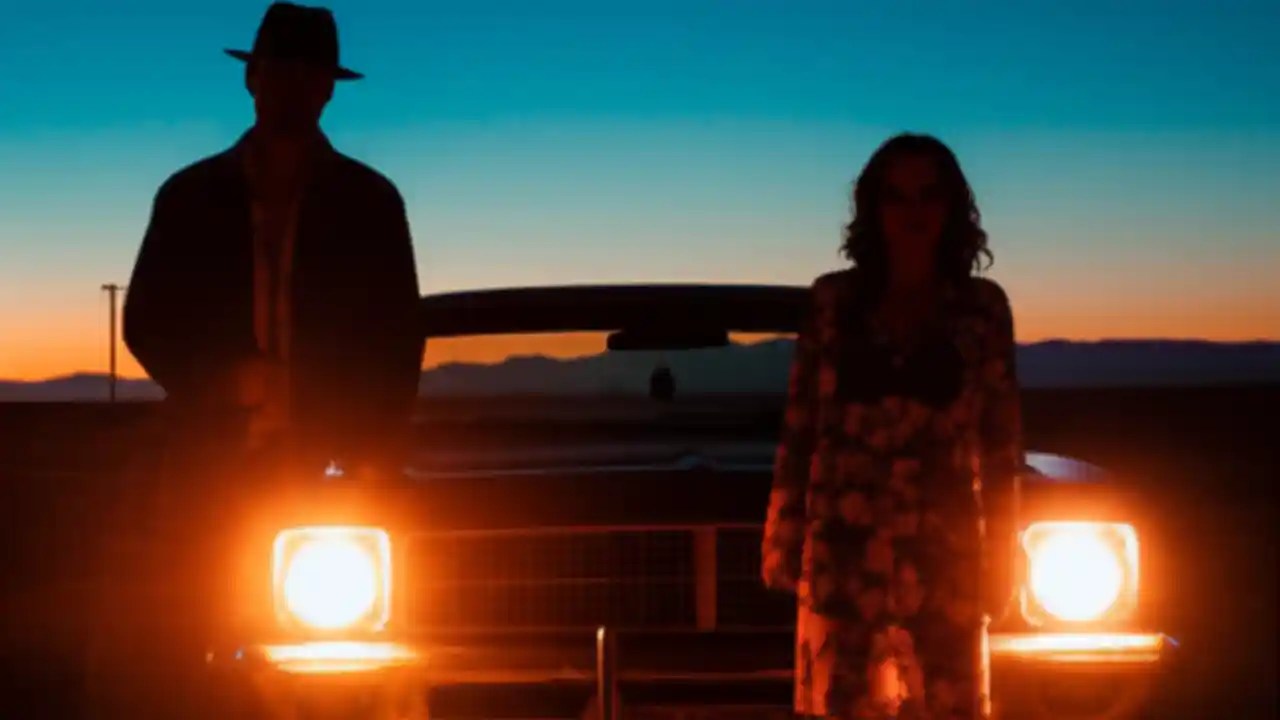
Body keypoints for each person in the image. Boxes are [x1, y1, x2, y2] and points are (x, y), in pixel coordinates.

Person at [762, 133, 1023, 719]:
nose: (913, 211)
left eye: (928, 195)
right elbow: (801, 425)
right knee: (842, 704)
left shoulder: (982, 309)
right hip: (844, 550)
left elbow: (1001, 441)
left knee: (949, 704)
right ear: (872, 209)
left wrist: (1005, 552)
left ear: (953, 208)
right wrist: (784, 535)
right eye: (897, 196)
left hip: (945, 552)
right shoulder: (832, 303)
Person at [123, 2, 423, 483]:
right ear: (253, 78)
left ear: (327, 89)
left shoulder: (373, 205)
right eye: (282, 70)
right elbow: (144, 322)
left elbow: (399, 346)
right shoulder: (187, 198)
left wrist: (370, 454)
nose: (294, 86)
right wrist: (221, 383)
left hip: (328, 471)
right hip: (207, 465)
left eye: (308, 74)